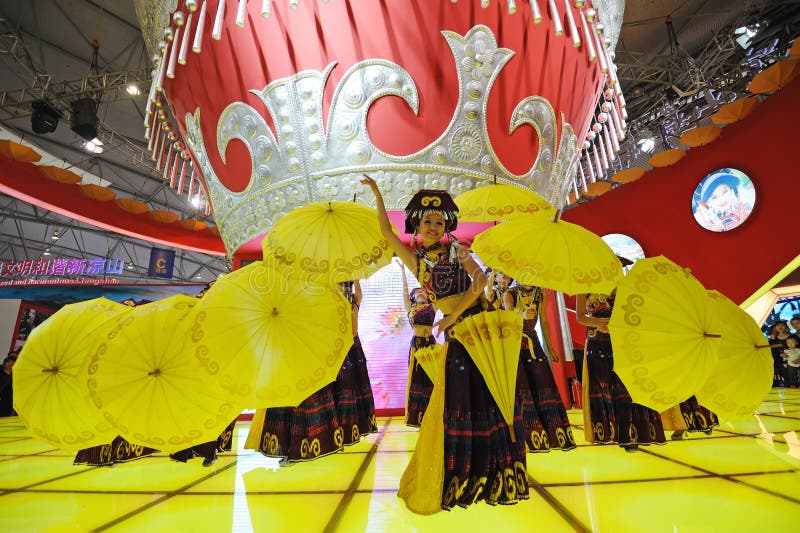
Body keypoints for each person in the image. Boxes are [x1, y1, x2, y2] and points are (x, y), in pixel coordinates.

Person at [362, 175, 528, 513]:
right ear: (418, 225)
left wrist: (453, 317)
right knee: (457, 398)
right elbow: (386, 234)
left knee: (489, 397)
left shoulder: (457, 250)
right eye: (428, 221)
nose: (434, 225)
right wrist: (378, 195)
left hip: (476, 326)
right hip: (455, 335)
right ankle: (464, 472)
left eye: (439, 221)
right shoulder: (416, 263)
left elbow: (480, 282)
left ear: (447, 223)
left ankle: (496, 471)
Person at [576, 292, 666, 451]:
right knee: (604, 390)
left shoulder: (622, 286)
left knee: (626, 388)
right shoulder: (584, 286)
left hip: (623, 339)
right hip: (597, 341)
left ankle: (632, 435)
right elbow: (580, 317)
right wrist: (597, 323)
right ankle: (612, 434)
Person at [504, 284, 576, 452]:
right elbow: (508, 315)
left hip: (533, 342)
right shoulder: (510, 293)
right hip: (514, 342)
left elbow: (543, 321)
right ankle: (532, 439)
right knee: (523, 388)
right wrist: (521, 314)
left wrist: (550, 348)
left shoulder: (540, 294)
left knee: (544, 383)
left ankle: (555, 436)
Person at [333, 280, 378, 444]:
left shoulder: (353, 302)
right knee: (342, 389)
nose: (345, 287)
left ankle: (357, 427)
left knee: (356, 387)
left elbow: (359, 294)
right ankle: (340, 429)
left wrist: (357, 276)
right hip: (340, 347)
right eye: (341, 285)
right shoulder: (334, 304)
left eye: (347, 285)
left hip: (354, 347)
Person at [400, 261, 436, 427]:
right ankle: (416, 418)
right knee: (416, 379)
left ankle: (433, 414)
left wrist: (430, 271)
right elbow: (405, 292)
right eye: (418, 291)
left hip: (431, 345)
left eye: (424, 290)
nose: (421, 291)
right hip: (417, 345)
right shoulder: (411, 308)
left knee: (432, 378)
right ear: (413, 297)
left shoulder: (432, 306)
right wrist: (402, 271)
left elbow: (436, 291)